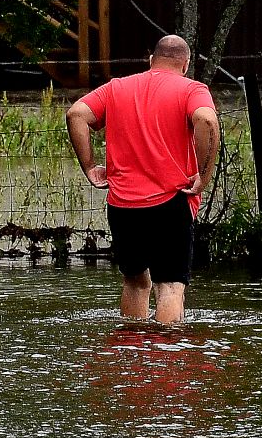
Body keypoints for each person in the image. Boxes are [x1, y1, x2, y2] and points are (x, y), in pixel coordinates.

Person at [67, 35, 221, 325]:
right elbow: (207, 120)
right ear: (185, 64)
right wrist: (203, 175)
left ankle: (131, 344)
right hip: (171, 201)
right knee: (170, 286)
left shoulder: (116, 88)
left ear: (151, 60)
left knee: (135, 282)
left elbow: (76, 114)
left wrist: (89, 166)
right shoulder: (192, 90)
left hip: (122, 204)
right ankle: (166, 349)